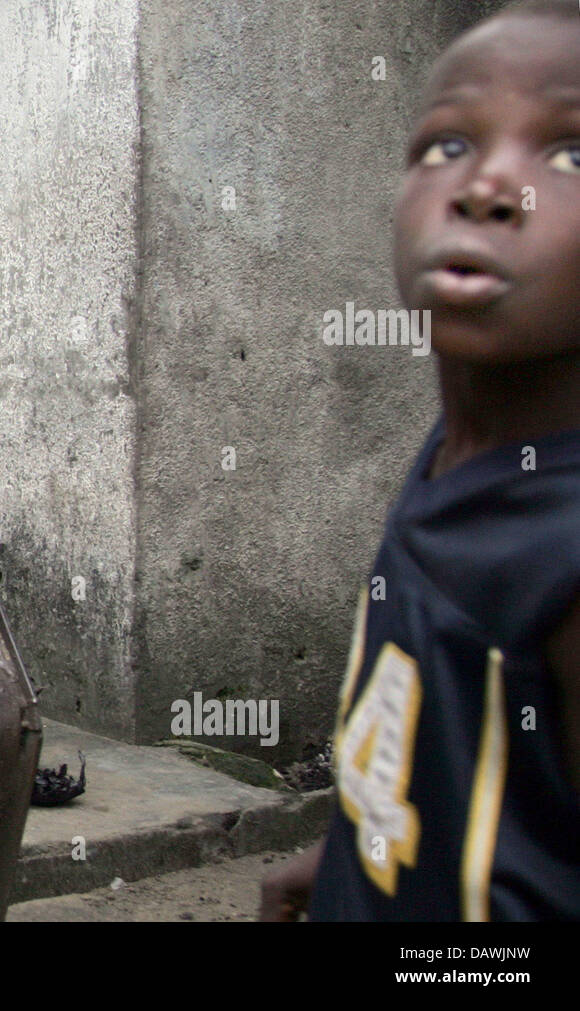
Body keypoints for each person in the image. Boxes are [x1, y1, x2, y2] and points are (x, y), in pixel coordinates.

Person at [262, 0, 580, 921]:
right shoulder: (458, 448)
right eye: (448, 144)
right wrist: (356, 855)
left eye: (571, 155)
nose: (489, 186)